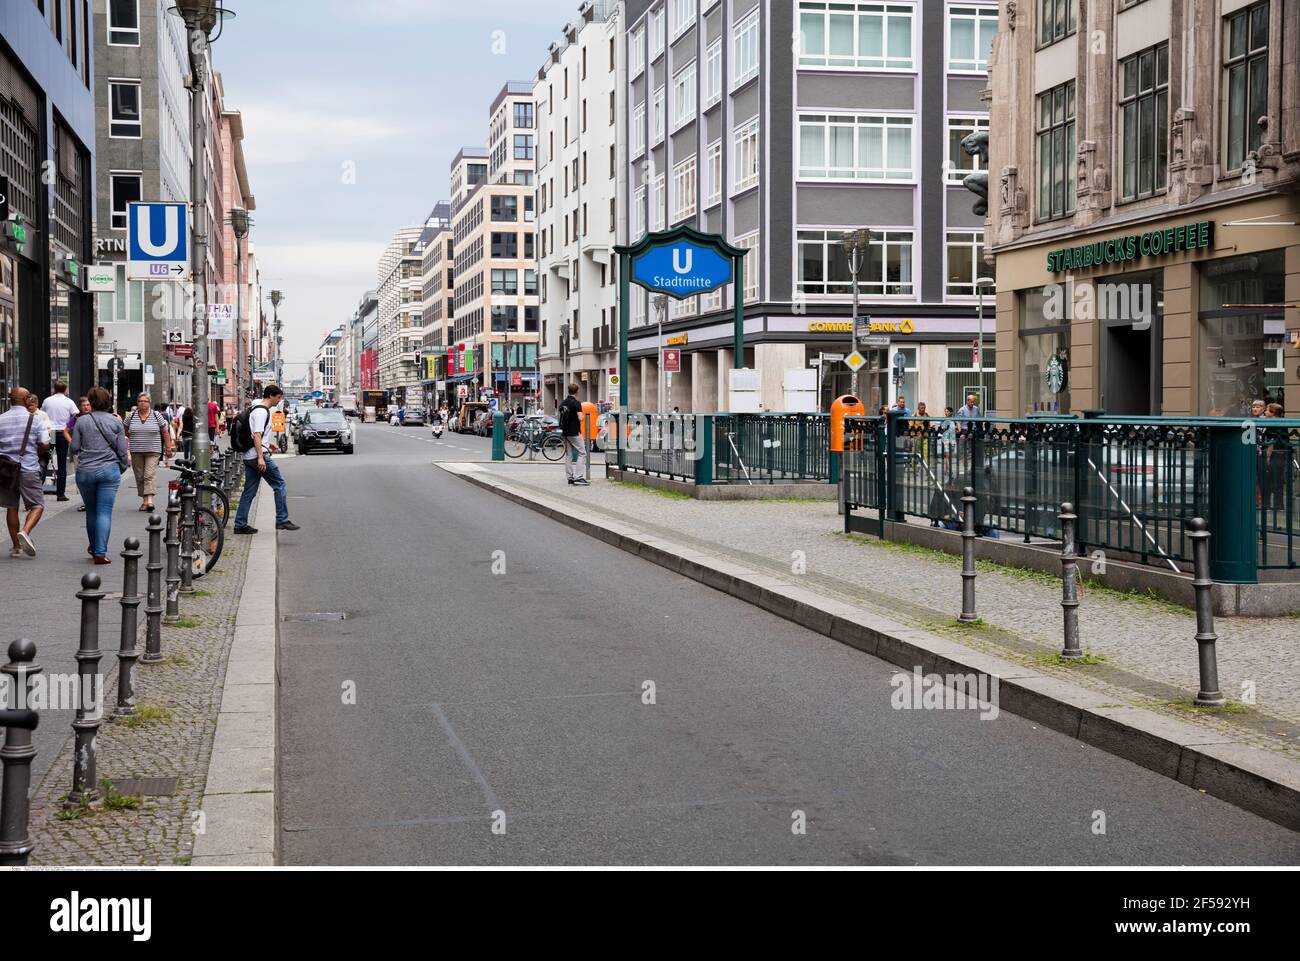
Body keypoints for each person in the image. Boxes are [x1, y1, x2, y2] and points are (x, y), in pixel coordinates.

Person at [70, 386, 129, 565]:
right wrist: (123, 467)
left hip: (86, 471)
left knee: (91, 512)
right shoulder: (116, 422)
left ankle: (94, 546)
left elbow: (74, 448)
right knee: (104, 512)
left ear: (91, 402)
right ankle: (100, 553)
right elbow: (121, 450)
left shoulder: (81, 422)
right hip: (109, 470)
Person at [233, 385, 299, 535]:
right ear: (271, 396)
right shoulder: (262, 412)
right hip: (257, 456)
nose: (279, 401)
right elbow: (256, 435)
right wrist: (261, 457)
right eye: (278, 397)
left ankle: (240, 524)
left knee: (249, 491)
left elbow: (257, 435)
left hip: (251, 455)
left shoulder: (257, 410)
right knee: (280, 484)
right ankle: (282, 520)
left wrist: (269, 444)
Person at [0, 387, 51, 558]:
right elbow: (45, 444)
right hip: (28, 467)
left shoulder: (1, 419)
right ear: (27, 399)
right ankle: (25, 531)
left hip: (6, 470)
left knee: (11, 507)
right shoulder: (35, 420)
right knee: (37, 505)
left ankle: (16, 547)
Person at [124, 392, 172, 512]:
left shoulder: (156, 415)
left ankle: (150, 501)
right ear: (137, 403)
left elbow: (165, 432)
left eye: (145, 401)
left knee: (148, 475)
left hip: (153, 450)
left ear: (149, 403)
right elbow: (124, 430)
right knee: (140, 477)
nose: (143, 403)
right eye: (140, 401)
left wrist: (168, 447)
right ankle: (145, 501)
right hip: (136, 450)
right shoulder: (131, 416)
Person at [41, 380, 78, 502]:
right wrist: (69, 425)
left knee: (44, 461)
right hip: (62, 433)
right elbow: (76, 414)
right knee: (62, 464)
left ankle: (38, 492)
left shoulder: (47, 401)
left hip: (51, 432)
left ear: (54, 389)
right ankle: (60, 494)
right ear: (65, 389)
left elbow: (42, 414)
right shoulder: (69, 401)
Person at [559, 383, 588, 487]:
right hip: (574, 431)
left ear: (568, 390)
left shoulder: (563, 403)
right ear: (577, 391)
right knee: (582, 452)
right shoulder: (576, 403)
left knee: (569, 455)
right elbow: (580, 417)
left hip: (565, 432)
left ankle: (570, 478)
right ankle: (579, 477)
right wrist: (584, 416)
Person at [25, 394, 54, 485]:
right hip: (28, 445)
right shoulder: (25, 414)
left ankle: (40, 482)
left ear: (37, 404)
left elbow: (49, 429)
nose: (29, 407)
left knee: (42, 465)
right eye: (28, 405)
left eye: (32, 405)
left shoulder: (42, 414)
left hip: (40, 446)